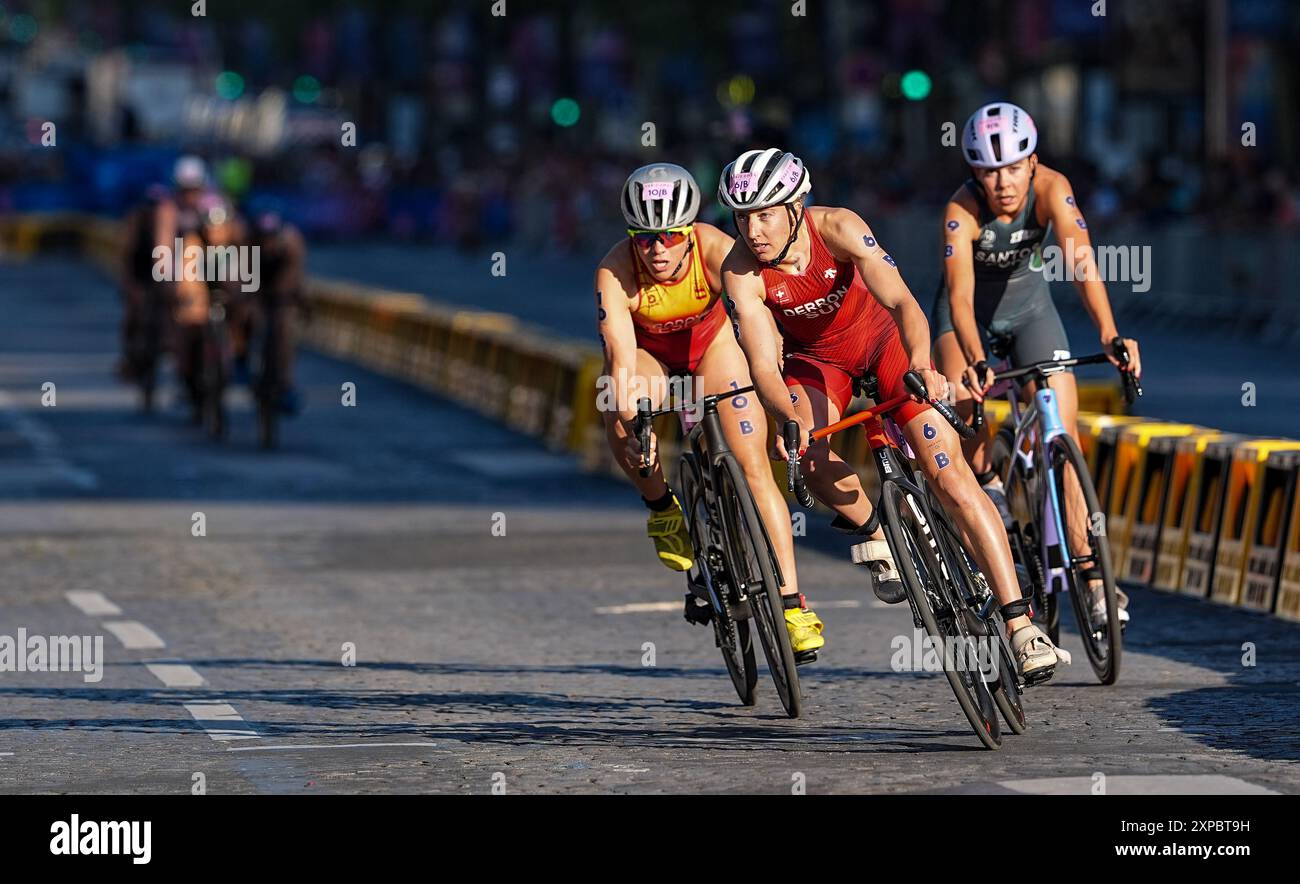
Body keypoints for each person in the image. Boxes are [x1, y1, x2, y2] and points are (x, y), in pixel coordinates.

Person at [718, 147, 1061, 680]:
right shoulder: (741, 271)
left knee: (946, 471)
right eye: (741, 218)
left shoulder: (839, 228)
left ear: (795, 206)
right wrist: (789, 415)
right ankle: (877, 532)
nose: (752, 230)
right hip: (817, 364)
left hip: (883, 343)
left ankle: (1021, 626)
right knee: (803, 450)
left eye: (764, 214)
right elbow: (764, 363)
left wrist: (922, 365)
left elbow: (903, 304)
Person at [594, 163, 825, 656]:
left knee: (754, 466)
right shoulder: (615, 271)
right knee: (615, 407)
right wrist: (636, 422)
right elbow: (618, 354)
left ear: (689, 231)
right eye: (645, 238)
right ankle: (660, 506)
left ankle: (791, 604)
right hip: (651, 356)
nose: (657, 250)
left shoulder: (717, 248)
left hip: (713, 347)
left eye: (670, 237)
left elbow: (757, 316)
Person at [933, 102, 1143, 627]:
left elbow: (1081, 261)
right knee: (968, 411)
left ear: (1032, 162)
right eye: (987, 170)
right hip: (967, 321)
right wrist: (977, 361)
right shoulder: (961, 211)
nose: (1002, 182)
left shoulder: (1053, 187)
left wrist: (1111, 334)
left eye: (1012, 167)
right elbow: (959, 298)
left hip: (1030, 311)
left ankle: (1093, 581)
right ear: (973, 173)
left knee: (1061, 436)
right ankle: (993, 495)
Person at [247, 212, 306, 415]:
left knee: (284, 330)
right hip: (257, 287)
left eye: (271, 237)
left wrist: (298, 305)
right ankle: (242, 360)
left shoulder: (291, 243)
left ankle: (285, 384)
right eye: (264, 237)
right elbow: (245, 281)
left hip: (281, 292)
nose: (267, 242)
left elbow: (295, 280)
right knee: (247, 317)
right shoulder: (249, 244)